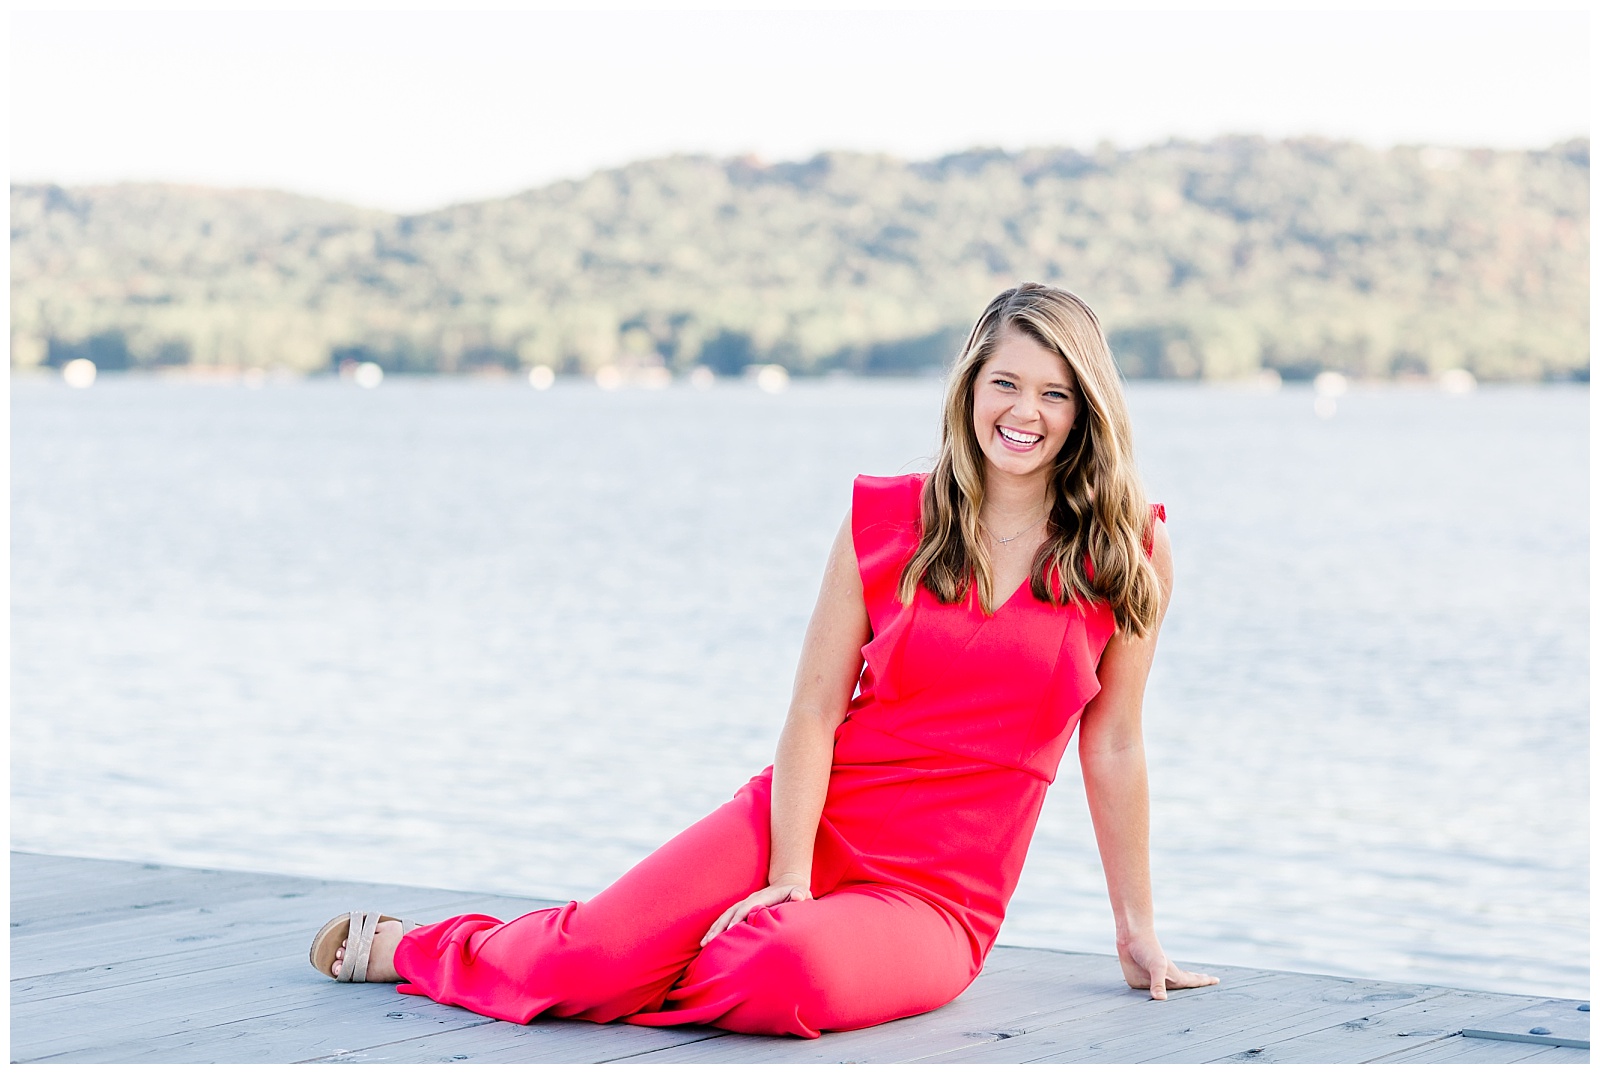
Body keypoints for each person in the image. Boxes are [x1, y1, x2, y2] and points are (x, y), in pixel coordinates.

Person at [307, 282, 1219, 1038]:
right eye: (1005, 383)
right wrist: (790, 872)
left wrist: (1135, 928)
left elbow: (1115, 745)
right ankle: (436, 949)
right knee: (588, 958)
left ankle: (640, 970)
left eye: (1055, 394)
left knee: (781, 973)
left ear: (1085, 410)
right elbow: (814, 711)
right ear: (969, 387)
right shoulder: (887, 520)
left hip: (938, 896)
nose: (1024, 412)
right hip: (803, 817)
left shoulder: (1127, 552)